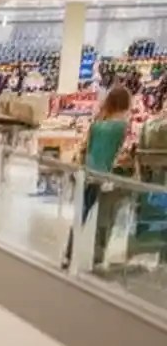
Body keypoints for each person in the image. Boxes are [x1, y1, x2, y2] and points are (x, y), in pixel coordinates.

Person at [64, 85, 131, 269]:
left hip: (88, 173)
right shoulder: (122, 126)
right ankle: (98, 258)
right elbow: (120, 153)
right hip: (107, 177)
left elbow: (88, 148)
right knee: (105, 218)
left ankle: (68, 254)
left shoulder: (98, 123)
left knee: (81, 215)